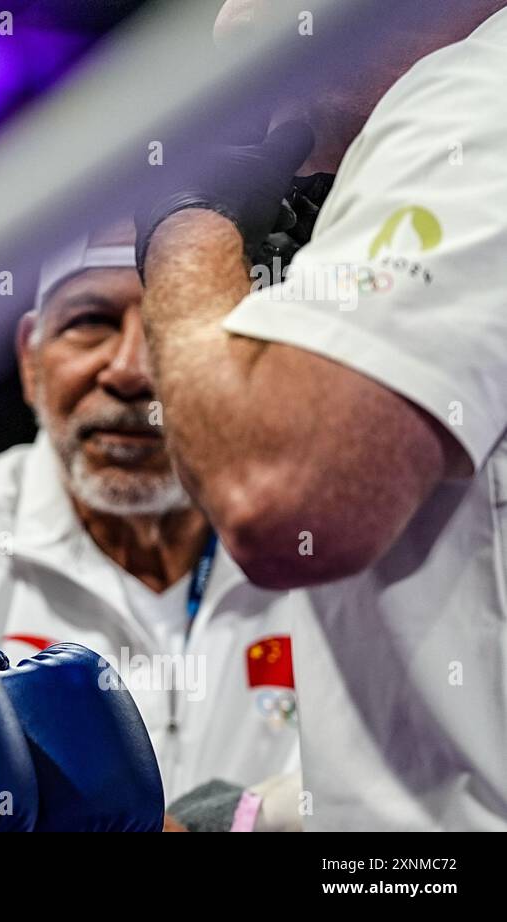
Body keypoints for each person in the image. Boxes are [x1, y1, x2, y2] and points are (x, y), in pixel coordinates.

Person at [134, 0, 507, 829]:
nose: (229, 18)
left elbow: (281, 489)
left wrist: (186, 227)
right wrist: (253, 819)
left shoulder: (481, 110)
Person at [0, 224, 304, 828]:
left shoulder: (335, 539)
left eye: (171, 327)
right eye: (90, 321)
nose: (130, 371)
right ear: (30, 358)